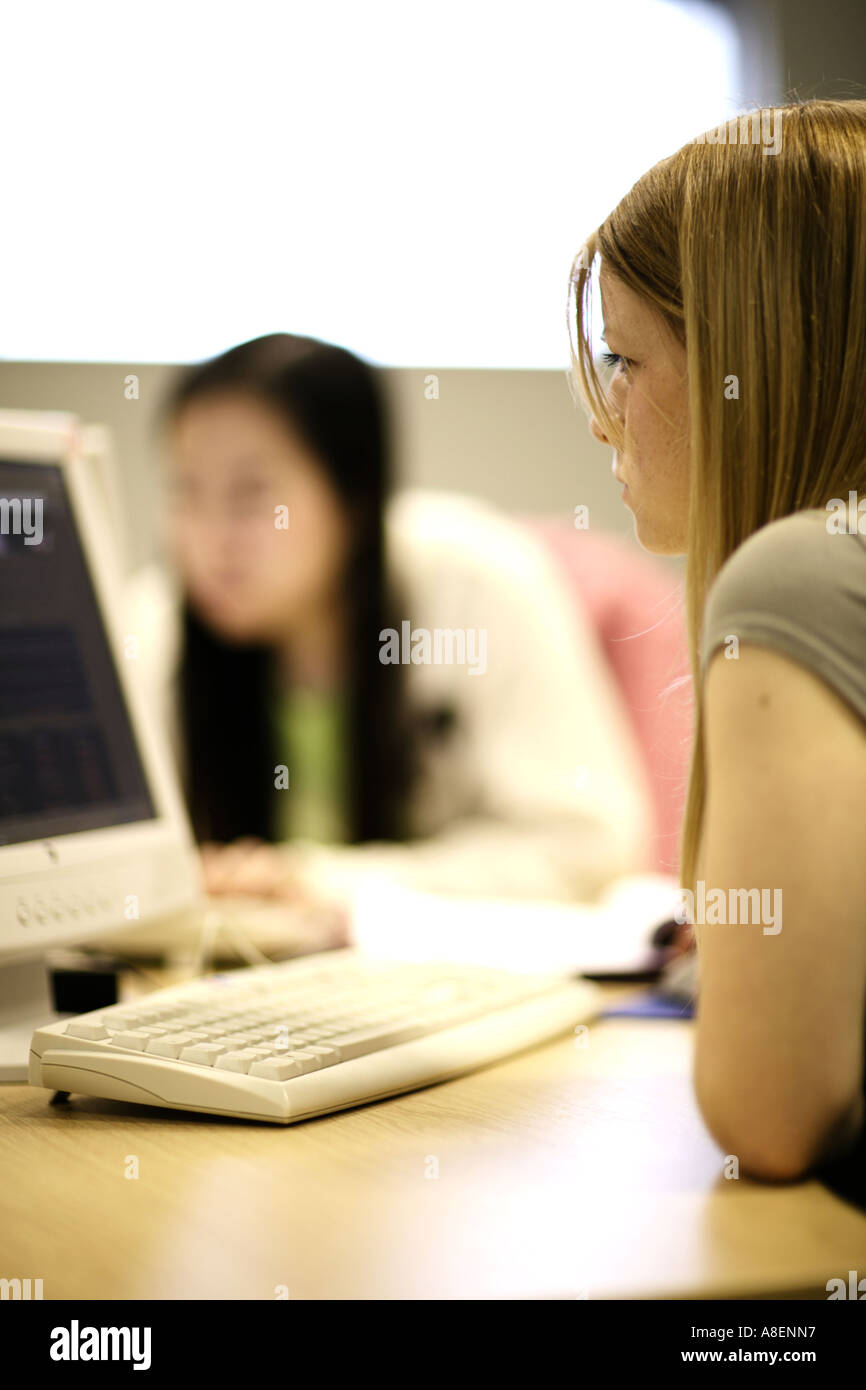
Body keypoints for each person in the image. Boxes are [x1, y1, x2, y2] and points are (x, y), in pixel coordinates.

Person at [569, 99, 866, 1185]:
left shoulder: (803, 576)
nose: (598, 416)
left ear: (751, 364)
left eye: (622, 360)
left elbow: (764, 1115)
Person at [126, 333, 652, 915]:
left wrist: (322, 882)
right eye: (185, 491)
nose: (209, 540)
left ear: (353, 498)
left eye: (250, 496)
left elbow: (589, 851)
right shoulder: (151, 628)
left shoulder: (479, 585)